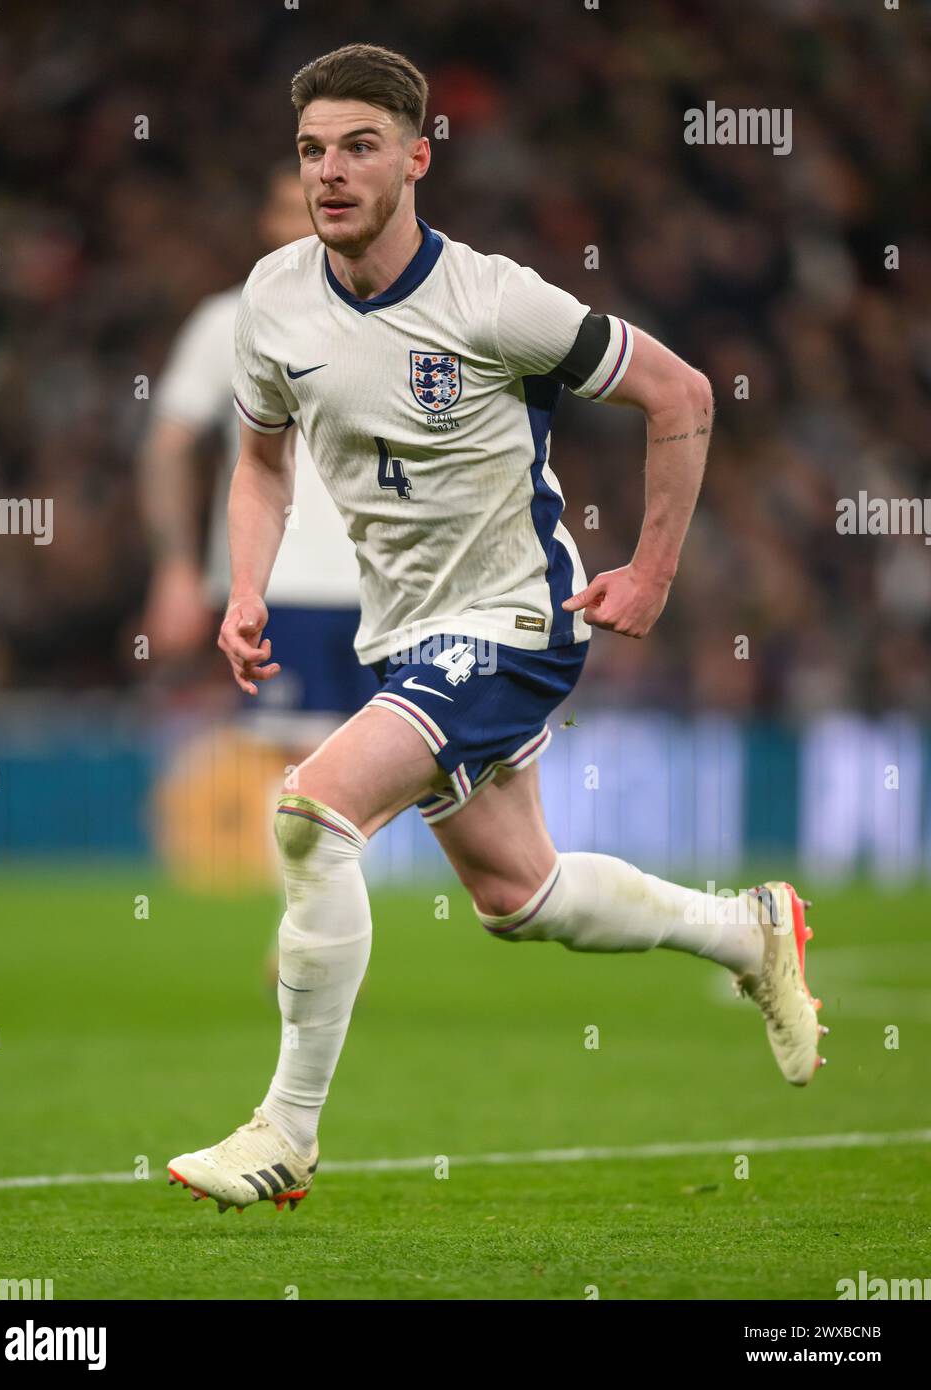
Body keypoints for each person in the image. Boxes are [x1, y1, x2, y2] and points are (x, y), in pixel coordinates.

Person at [167, 43, 826, 1216]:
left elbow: (680, 393)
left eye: (360, 147)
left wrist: (652, 573)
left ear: (417, 159)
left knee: (311, 815)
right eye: (312, 150)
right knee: (520, 896)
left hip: (515, 618)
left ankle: (287, 1130)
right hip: (404, 633)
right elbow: (261, 461)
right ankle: (747, 928)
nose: (330, 171)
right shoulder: (272, 298)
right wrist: (246, 586)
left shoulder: (494, 299)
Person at [138, 160, 372, 747]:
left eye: (322, 208)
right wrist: (176, 568)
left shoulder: (399, 316)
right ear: (268, 222)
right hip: (279, 586)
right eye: (293, 209)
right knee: (294, 766)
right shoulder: (228, 320)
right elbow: (168, 445)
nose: (307, 224)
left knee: (406, 764)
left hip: (394, 584)